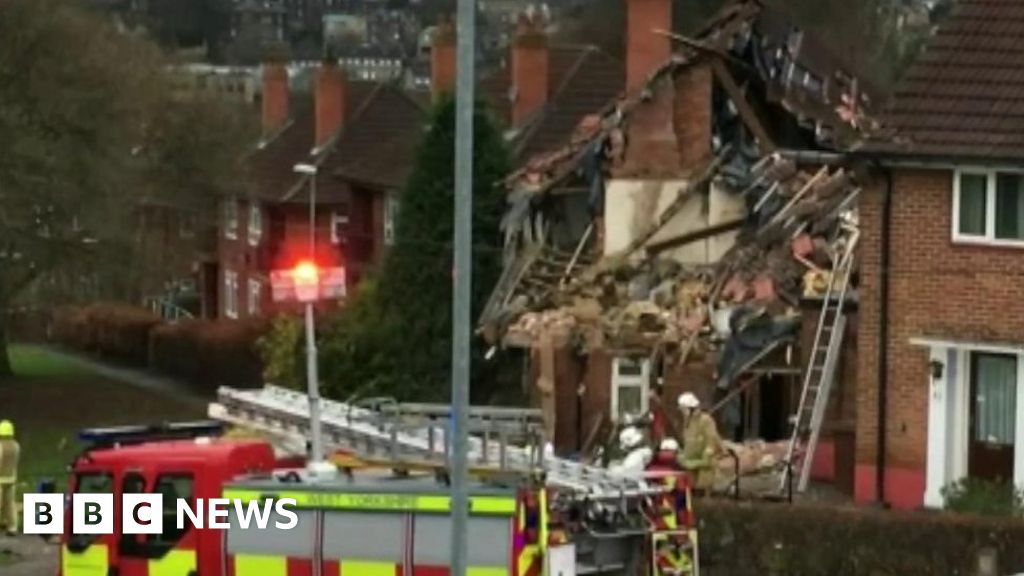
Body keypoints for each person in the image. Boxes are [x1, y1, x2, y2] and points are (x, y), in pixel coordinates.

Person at [677, 393, 723, 495]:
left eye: (684, 409)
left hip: (705, 467)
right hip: (691, 465)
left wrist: (700, 461)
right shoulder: (687, 422)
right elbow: (688, 441)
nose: (682, 412)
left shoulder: (706, 420)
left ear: (691, 408)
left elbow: (711, 441)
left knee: (703, 490)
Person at [0, 419, 20, 536]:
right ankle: (12, 527)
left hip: (0, 479)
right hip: (11, 478)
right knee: (10, 504)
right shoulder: (16, 445)